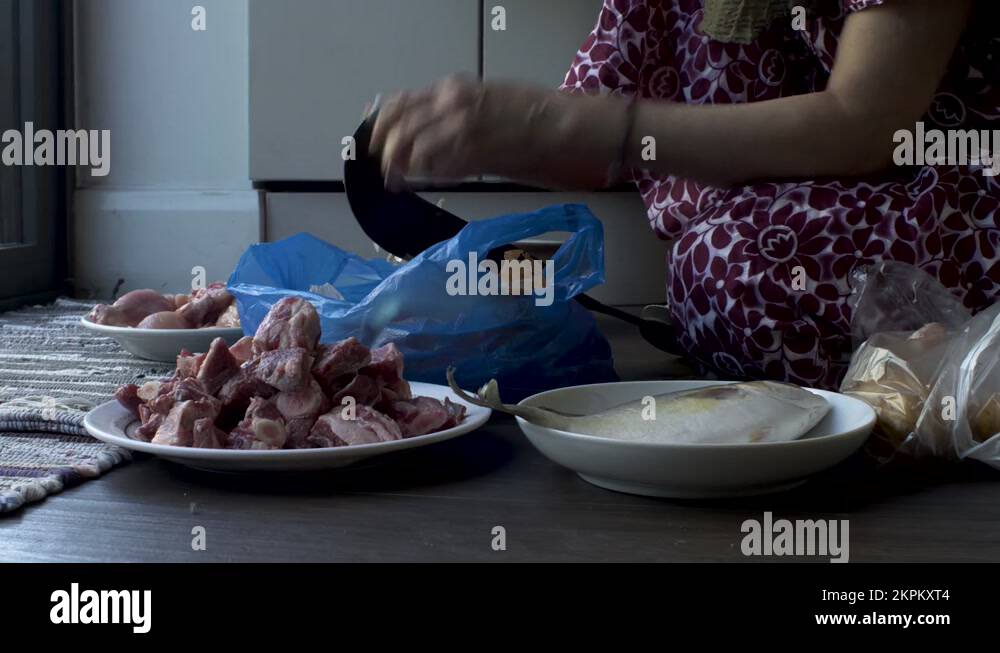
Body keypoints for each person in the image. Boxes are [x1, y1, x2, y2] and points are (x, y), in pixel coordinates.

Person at [370, 0, 999, 390]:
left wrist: (556, 123)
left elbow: (865, 121)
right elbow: (594, 125)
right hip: (770, 235)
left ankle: (942, 390)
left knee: (732, 265)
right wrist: (490, 134)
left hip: (953, 197)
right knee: (722, 265)